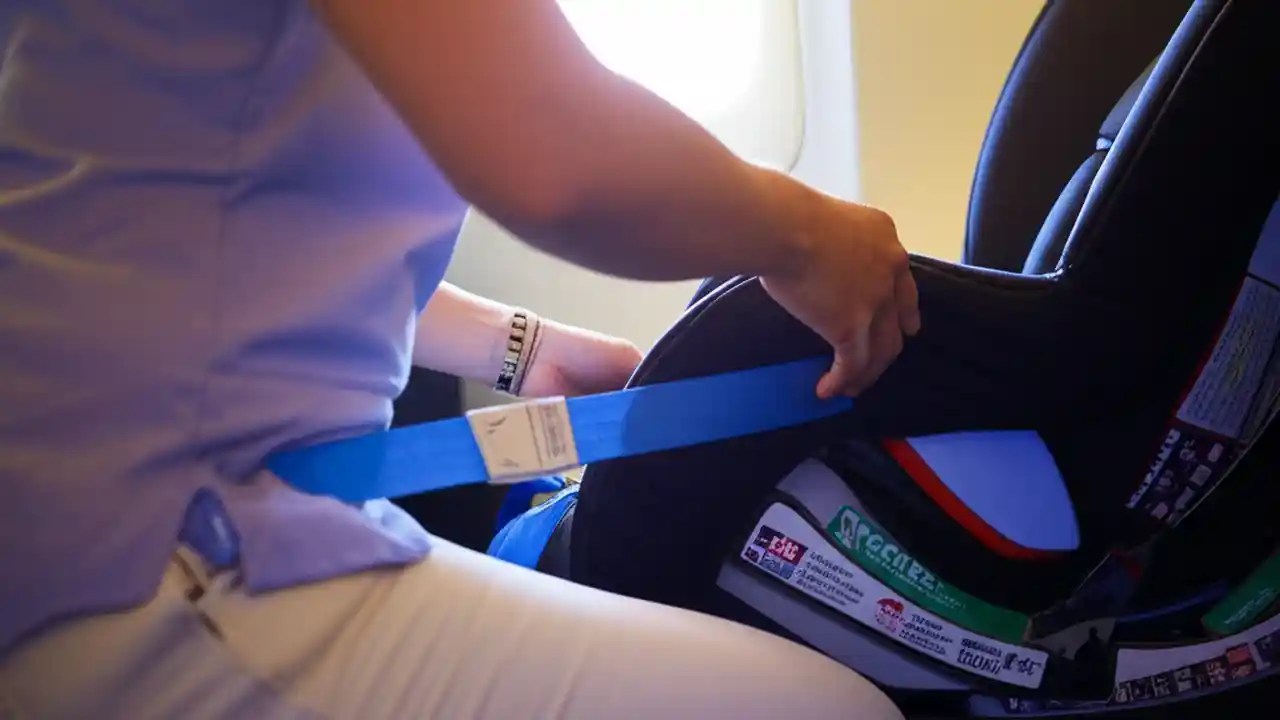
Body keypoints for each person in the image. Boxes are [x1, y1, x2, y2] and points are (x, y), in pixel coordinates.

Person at [0, 0, 919, 717]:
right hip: (161, 557)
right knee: (836, 709)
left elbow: (188, 220)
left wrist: (520, 349)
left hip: (109, 507)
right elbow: (550, 144)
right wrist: (807, 238)